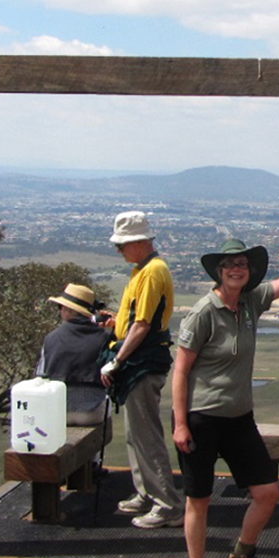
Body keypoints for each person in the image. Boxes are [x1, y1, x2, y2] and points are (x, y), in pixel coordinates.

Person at [172, 237, 279, 558]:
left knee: (268, 492)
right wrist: (181, 425)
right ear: (218, 271)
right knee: (199, 499)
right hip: (201, 418)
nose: (236, 269)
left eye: (242, 264)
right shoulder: (202, 313)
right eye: (230, 264)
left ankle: (242, 556)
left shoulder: (250, 303)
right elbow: (180, 370)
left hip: (239, 418)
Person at [100, 211, 184, 529]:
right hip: (139, 358)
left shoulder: (151, 272)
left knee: (146, 433)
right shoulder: (142, 270)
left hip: (142, 361)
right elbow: (134, 320)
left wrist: (117, 360)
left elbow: (143, 324)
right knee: (135, 433)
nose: (119, 251)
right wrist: (115, 323)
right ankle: (146, 492)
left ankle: (168, 504)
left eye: (122, 245)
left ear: (139, 242)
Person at [36, 283, 111, 426]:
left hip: (57, 413)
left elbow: (41, 376)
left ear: (66, 310)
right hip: (92, 414)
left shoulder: (50, 338)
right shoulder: (105, 337)